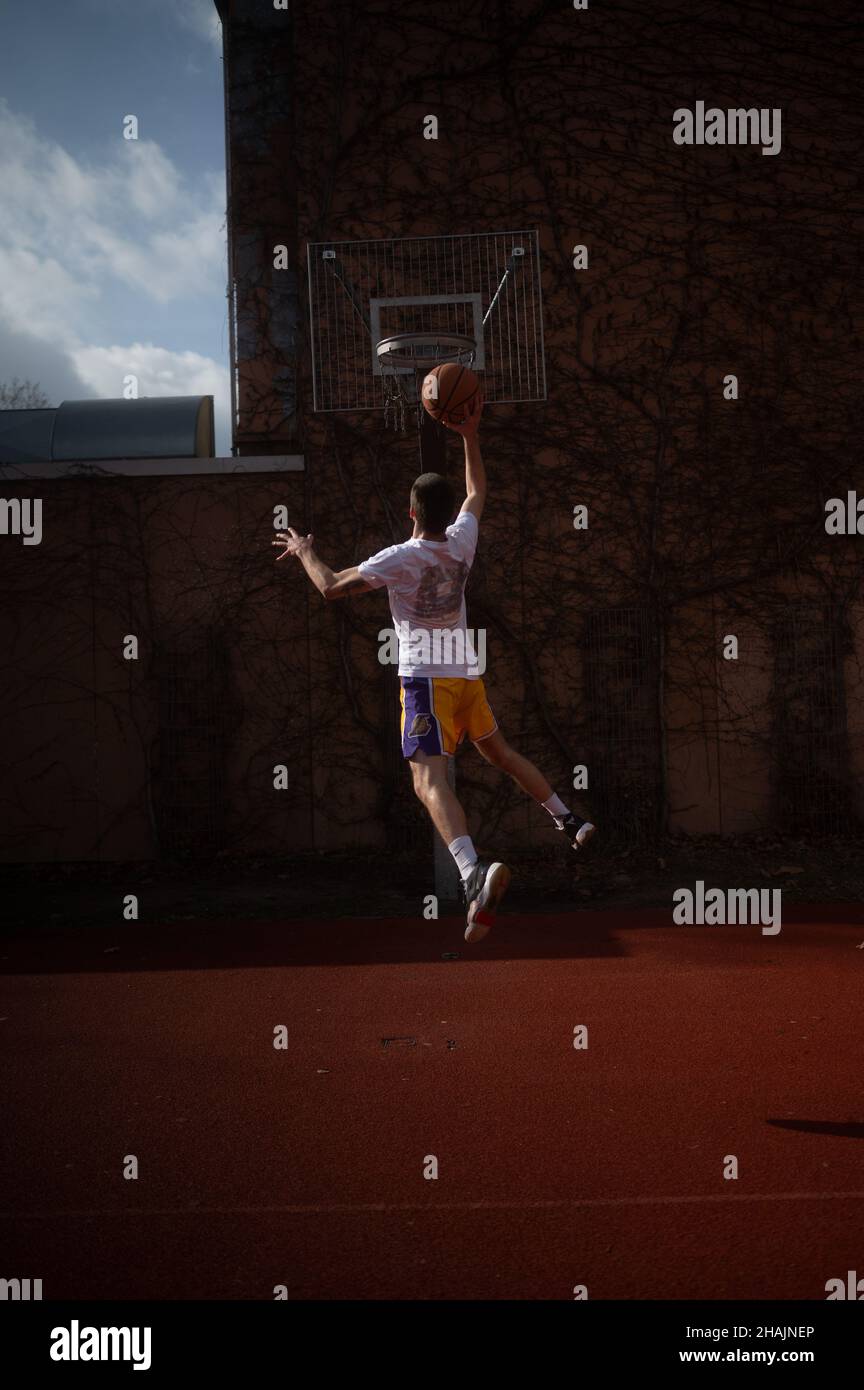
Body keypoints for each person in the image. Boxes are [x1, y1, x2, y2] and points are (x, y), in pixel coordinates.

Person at [273, 391, 595, 942]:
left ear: (410, 510)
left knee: (427, 780)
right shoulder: (463, 543)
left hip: (424, 676)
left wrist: (303, 549)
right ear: (446, 515)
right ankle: (569, 819)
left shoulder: (399, 558)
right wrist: (469, 434)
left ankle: (473, 875)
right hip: (465, 670)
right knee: (499, 752)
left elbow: (329, 587)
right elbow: (477, 491)